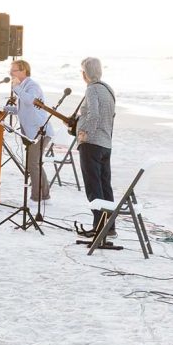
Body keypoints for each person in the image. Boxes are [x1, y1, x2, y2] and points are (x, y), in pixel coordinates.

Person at [76, 57, 116, 238]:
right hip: (106, 144)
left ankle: (99, 227)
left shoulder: (92, 89)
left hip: (92, 144)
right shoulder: (108, 89)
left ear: (85, 73)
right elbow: (110, 115)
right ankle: (110, 227)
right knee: (105, 186)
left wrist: (85, 134)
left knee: (93, 187)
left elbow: (94, 115)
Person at [2, 60, 52, 202]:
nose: (11, 74)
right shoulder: (23, 87)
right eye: (10, 71)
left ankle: (37, 197)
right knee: (34, 164)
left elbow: (30, 100)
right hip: (31, 133)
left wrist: (16, 88)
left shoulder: (32, 86)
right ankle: (44, 194)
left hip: (39, 131)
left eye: (14, 70)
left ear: (24, 71)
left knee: (32, 164)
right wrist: (7, 109)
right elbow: (23, 109)